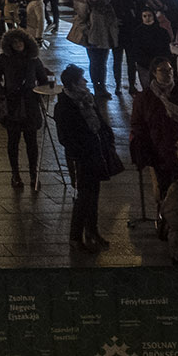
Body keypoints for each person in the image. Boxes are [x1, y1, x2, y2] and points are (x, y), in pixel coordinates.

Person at [130, 56, 178, 230]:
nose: (168, 74)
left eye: (170, 70)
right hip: (159, 151)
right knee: (164, 189)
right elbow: (138, 124)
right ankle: (165, 221)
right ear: (153, 73)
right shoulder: (145, 98)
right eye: (163, 71)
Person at [53, 65, 116, 250]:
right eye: (82, 79)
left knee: (94, 194)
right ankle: (75, 236)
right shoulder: (64, 106)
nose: (86, 82)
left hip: (96, 153)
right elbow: (64, 137)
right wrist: (81, 149)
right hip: (81, 157)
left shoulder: (87, 98)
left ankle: (92, 231)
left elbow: (99, 121)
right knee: (84, 197)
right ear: (73, 83)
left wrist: (107, 137)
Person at [0, 28, 52, 191]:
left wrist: (41, 92)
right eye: (15, 42)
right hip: (12, 103)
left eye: (20, 42)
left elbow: (43, 80)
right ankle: (15, 174)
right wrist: (2, 93)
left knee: (31, 142)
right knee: (13, 141)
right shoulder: (4, 59)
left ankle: (34, 174)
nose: (18, 45)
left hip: (30, 103)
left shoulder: (33, 60)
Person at [74, 0, 120, 98]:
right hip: (92, 38)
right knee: (95, 63)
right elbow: (81, 19)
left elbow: (112, 19)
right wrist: (87, 31)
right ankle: (96, 87)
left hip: (105, 38)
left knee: (102, 64)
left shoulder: (107, 3)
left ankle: (102, 87)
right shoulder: (88, 3)